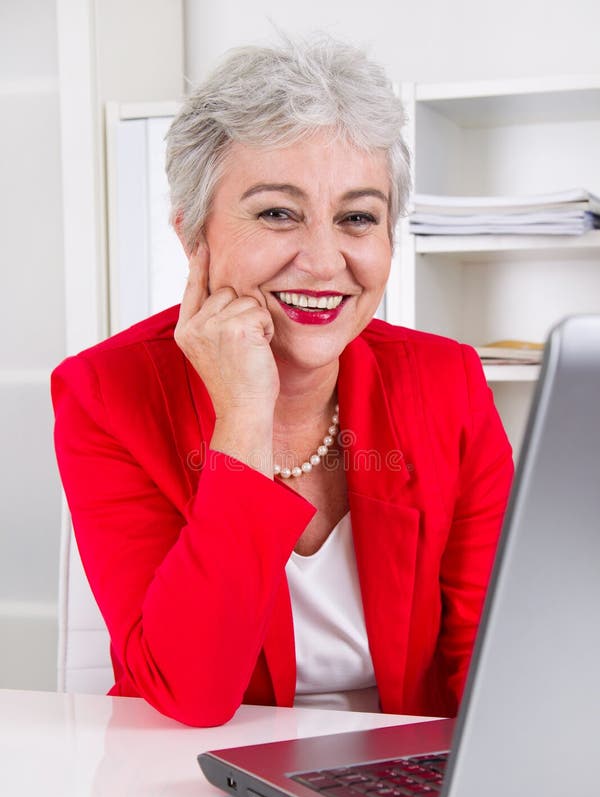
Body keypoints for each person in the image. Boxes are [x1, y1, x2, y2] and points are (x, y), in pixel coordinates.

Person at [51, 36, 513, 727]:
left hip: (407, 776)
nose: (326, 263)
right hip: (199, 776)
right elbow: (192, 695)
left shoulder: (446, 380)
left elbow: (495, 663)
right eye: (277, 213)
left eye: (358, 218)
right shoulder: (106, 393)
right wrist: (243, 417)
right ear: (193, 237)